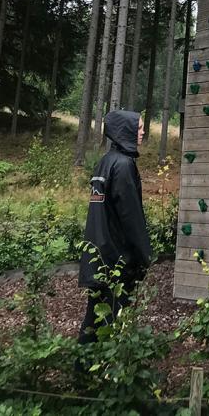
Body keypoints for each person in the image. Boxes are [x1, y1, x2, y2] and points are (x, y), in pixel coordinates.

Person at [78, 110, 152, 345]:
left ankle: (84, 370)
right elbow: (131, 216)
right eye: (138, 127)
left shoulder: (105, 162)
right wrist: (144, 255)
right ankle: (102, 373)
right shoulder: (123, 165)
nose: (142, 132)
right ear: (125, 130)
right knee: (112, 319)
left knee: (94, 319)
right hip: (115, 258)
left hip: (97, 255)